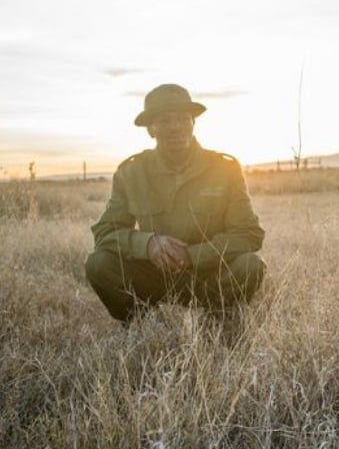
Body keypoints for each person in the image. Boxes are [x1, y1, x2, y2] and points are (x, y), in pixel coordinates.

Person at [85, 83, 265, 325]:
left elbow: (249, 234)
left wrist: (193, 256)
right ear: (151, 129)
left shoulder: (225, 168)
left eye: (183, 118)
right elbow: (105, 233)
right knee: (98, 264)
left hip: (210, 274)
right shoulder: (131, 172)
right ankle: (142, 324)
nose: (175, 127)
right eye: (164, 119)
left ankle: (215, 318)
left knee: (250, 266)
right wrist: (147, 244)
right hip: (153, 276)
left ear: (193, 122)